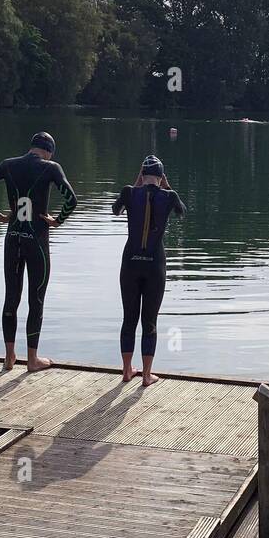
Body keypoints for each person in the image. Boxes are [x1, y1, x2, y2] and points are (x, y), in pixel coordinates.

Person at [0, 131, 77, 371]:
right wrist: (57, 221)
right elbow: (71, 200)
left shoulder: (8, 165)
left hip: (13, 239)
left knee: (11, 298)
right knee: (35, 300)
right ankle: (32, 360)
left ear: (31, 148)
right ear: (48, 151)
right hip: (37, 241)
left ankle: (9, 358)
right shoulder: (51, 168)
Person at [113, 154, 185, 386]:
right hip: (155, 265)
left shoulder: (129, 192)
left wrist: (134, 186)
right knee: (150, 321)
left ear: (142, 176)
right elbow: (181, 212)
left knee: (129, 318)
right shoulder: (169, 195)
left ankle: (126, 371)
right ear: (161, 177)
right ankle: (146, 375)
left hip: (130, 264)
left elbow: (116, 210)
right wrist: (168, 186)